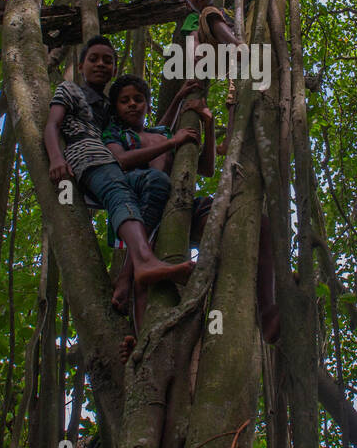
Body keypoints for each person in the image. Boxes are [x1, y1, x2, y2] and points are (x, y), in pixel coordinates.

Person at [104, 72, 280, 348]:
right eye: (124, 101)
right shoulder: (117, 134)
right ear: (115, 108)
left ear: (148, 106)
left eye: (138, 99)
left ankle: (266, 308)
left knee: (260, 223)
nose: (132, 104)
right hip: (139, 209)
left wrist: (207, 122)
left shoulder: (159, 134)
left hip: (181, 205)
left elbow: (206, 168)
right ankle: (140, 343)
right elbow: (121, 161)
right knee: (147, 285)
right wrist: (173, 142)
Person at [43, 36, 193, 304]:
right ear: (80, 66)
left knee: (156, 182)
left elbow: (150, 131)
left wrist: (179, 98)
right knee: (118, 192)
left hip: (110, 165)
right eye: (94, 59)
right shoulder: (70, 90)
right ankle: (145, 262)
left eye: (108, 61)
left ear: (114, 69)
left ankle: (129, 274)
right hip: (86, 157)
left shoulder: (111, 111)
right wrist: (56, 159)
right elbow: (53, 124)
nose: (101, 64)